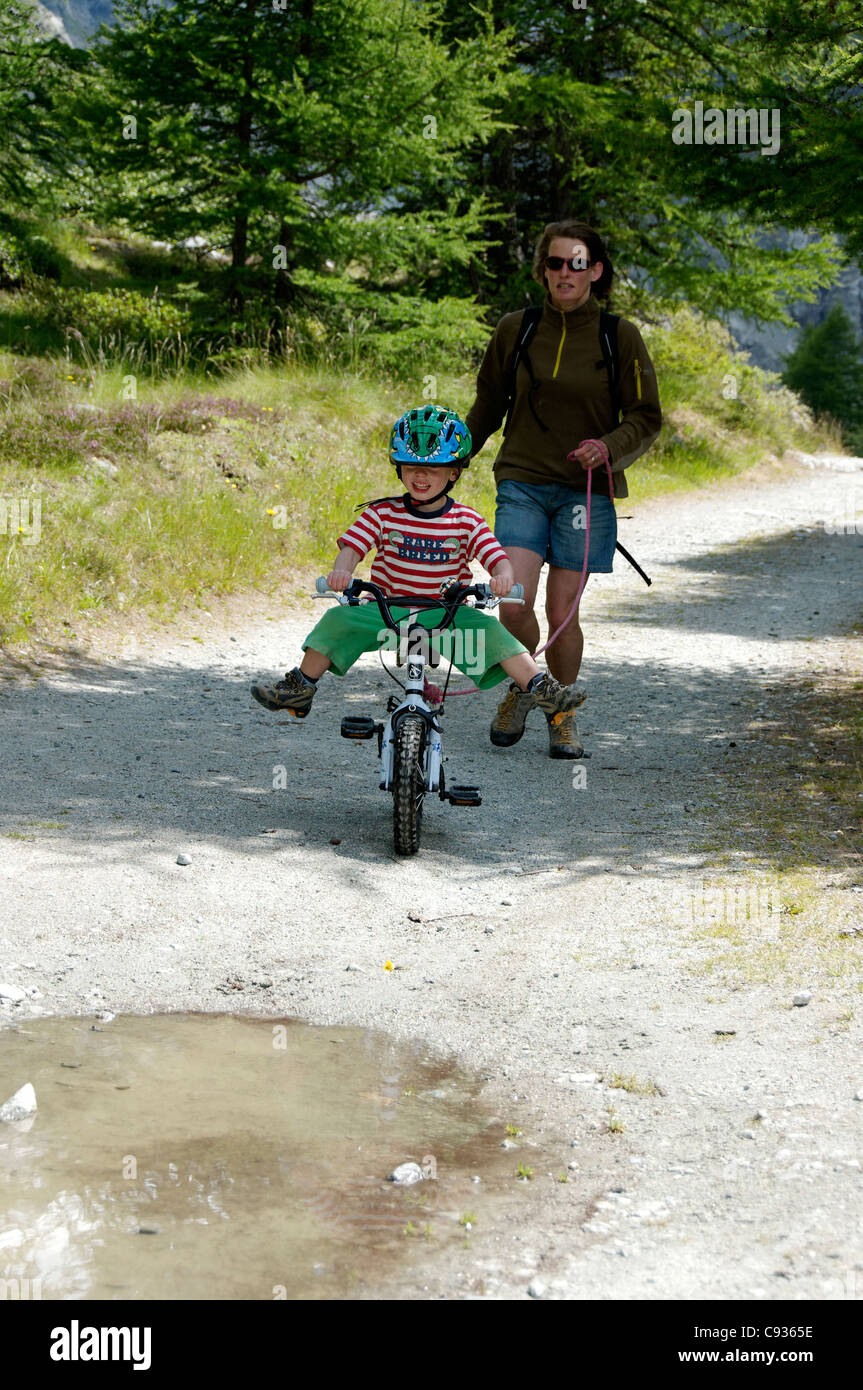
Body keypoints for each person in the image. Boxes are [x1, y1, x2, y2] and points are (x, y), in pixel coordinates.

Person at [250, 405, 588, 723]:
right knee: (337, 620)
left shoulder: (465, 519)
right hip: (388, 610)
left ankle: (542, 689)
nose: (421, 476)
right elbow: (353, 547)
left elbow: (496, 557)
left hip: (446, 612)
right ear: (399, 469)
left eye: (434, 468)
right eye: (412, 467)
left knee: (494, 634)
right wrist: (343, 570)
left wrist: (502, 577)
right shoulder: (382, 513)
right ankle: (300, 687)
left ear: (454, 472)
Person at [465, 219, 662, 758]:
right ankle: (527, 687)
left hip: (585, 491)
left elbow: (646, 417)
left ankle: (561, 712)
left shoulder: (619, 336)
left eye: (577, 263)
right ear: (543, 270)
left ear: (596, 271)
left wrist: (608, 446)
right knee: (512, 600)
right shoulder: (516, 328)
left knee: (562, 615)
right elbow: (487, 405)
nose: (564, 273)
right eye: (554, 263)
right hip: (523, 480)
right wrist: (449, 462)